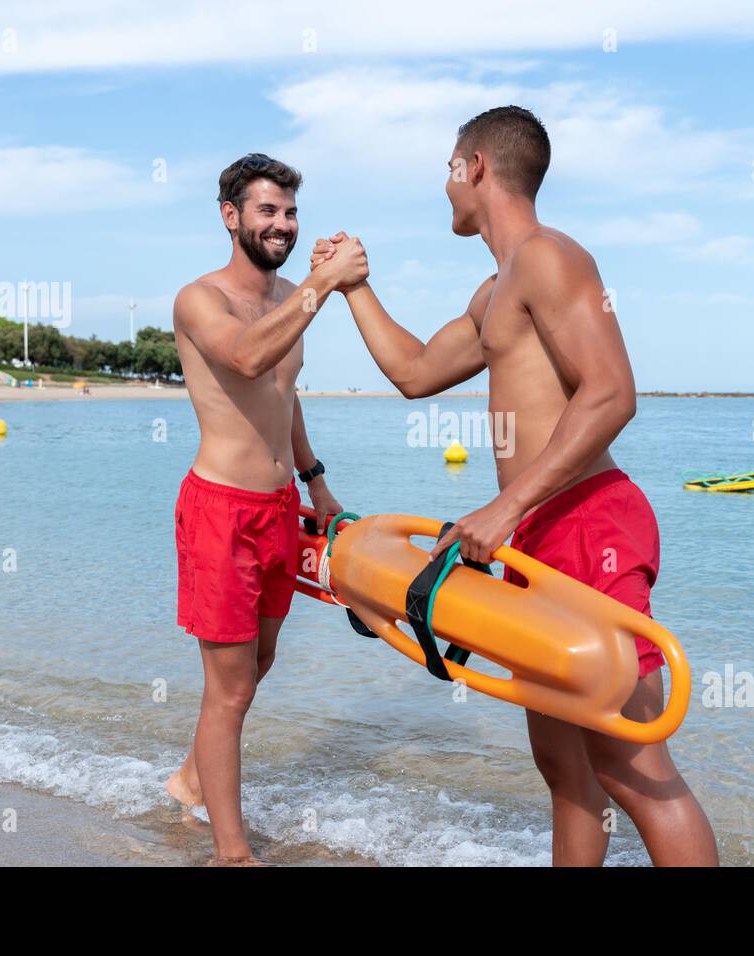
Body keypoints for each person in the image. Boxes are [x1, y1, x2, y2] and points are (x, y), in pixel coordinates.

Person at [310, 107, 717, 866]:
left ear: (476, 168)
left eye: (447, 167)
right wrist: (351, 288)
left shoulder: (552, 258)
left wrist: (507, 503)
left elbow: (612, 393)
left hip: (589, 522)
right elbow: (413, 372)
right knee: (565, 773)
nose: (444, 185)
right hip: (537, 537)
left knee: (632, 768)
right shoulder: (494, 292)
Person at [166, 153, 365, 866]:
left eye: (290, 213)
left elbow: (282, 393)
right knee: (230, 688)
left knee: (261, 660)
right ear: (231, 216)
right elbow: (248, 360)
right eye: (267, 211)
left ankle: (192, 777)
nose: (281, 224)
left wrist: (315, 481)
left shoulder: (289, 298)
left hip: (281, 506)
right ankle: (233, 852)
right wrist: (324, 283)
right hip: (220, 511)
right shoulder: (201, 300)